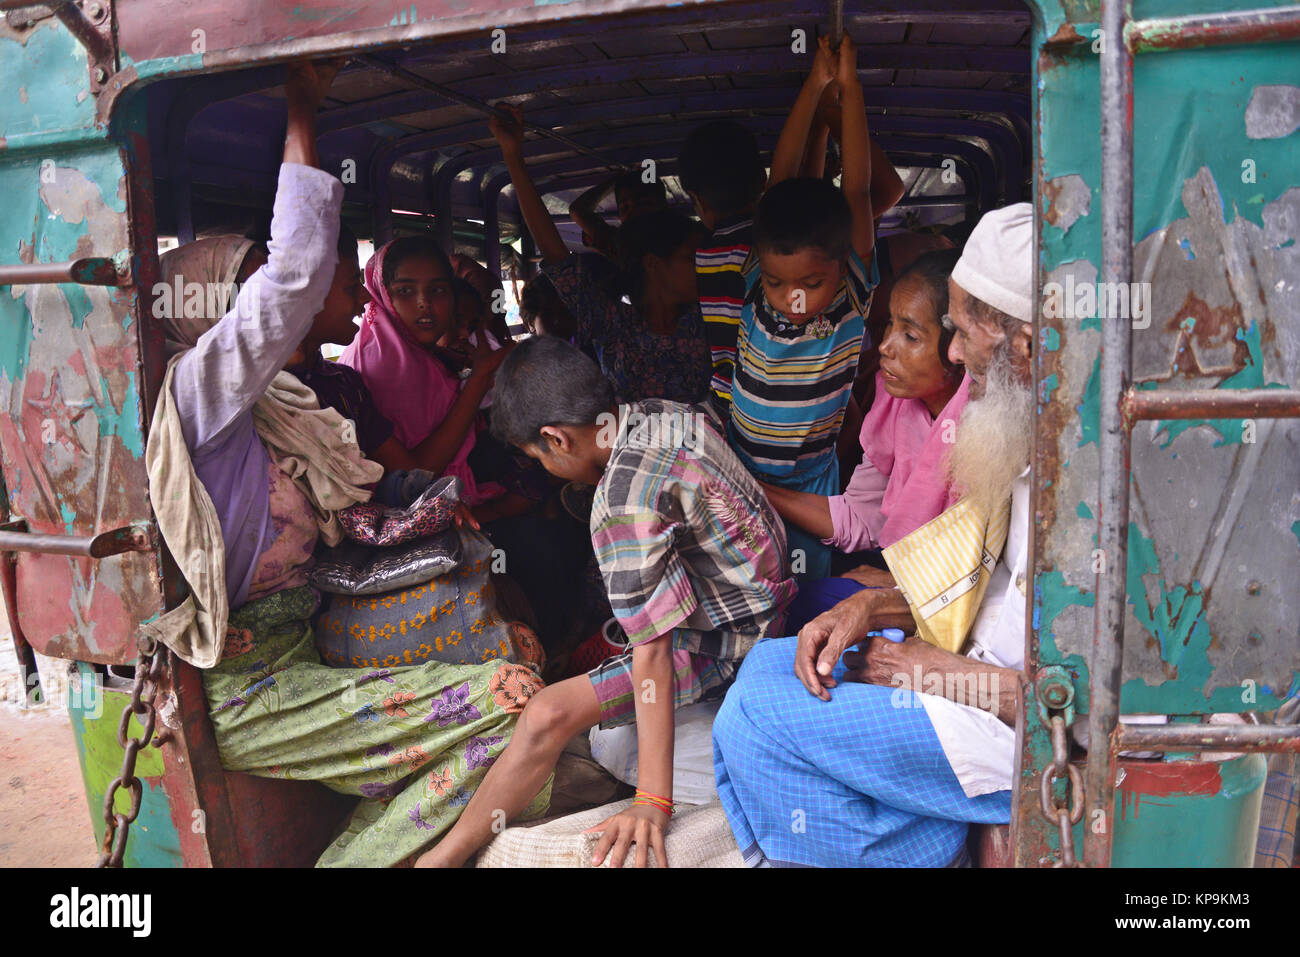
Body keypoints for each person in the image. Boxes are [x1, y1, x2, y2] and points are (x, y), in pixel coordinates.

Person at [142, 60, 549, 868]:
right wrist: (302, 111)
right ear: (211, 317)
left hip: (319, 635)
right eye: (250, 297)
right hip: (252, 685)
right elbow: (295, 276)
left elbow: (363, 483)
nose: (283, 307)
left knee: (517, 672)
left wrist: (426, 505)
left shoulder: (280, 407)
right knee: (516, 712)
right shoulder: (201, 397)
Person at [711, 202, 1036, 868]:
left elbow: (1086, 711)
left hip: (1000, 719)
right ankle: (910, 840)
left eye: (960, 331)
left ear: (1026, 346)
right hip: (955, 661)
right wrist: (872, 606)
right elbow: (964, 573)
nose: (951, 352)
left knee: (750, 719)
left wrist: (942, 674)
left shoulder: (1096, 485)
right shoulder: (1018, 441)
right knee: (766, 664)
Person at [416, 336, 796, 868]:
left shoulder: (620, 502)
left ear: (555, 438)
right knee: (599, 730)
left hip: (734, 644)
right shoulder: (665, 412)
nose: (544, 470)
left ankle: (445, 858)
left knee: (550, 714)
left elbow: (654, 655)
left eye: (537, 457)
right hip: (765, 604)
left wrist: (651, 802)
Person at [728, 34, 880, 580]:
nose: (792, 298)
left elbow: (859, 191)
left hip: (813, 481)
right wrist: (814, 83)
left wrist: (849, 89)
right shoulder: (754, 287)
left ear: (842, 267)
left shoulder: (850, 299)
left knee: (803, 586)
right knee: (745, 580)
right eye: (776, 282)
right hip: (738, 468)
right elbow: (780, 184)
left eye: (811, 283)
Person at [763, 249, 968, 626]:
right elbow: (861, 517)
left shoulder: (988, 434)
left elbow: (989, 574)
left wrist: (898, 584)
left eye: (910, 335)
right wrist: (754, 489)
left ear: (960, 346)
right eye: (890, 325)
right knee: (785, 606)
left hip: (962, 609)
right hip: (911, 587)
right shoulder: (896, 409)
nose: (886, 347)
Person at [489, 103, 712, 405]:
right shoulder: (611, 321)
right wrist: (513, 156)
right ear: (654, 264)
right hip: (632, 451)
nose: (703, 267)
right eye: (690, 260)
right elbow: (555, 253)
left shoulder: (710, 318)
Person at [678, 119, 766, 411]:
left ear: (697, 199)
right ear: (762, 182)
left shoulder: (704, 254)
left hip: (731, 404)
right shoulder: (779, 238)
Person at [568, 168, 670, 263]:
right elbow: (578, 211)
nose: (634, 212)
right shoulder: (621, 246)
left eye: (644, 203)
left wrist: (616, 180)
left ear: (664, 207)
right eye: (625, 208)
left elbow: (578, 211)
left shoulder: (682, 239)